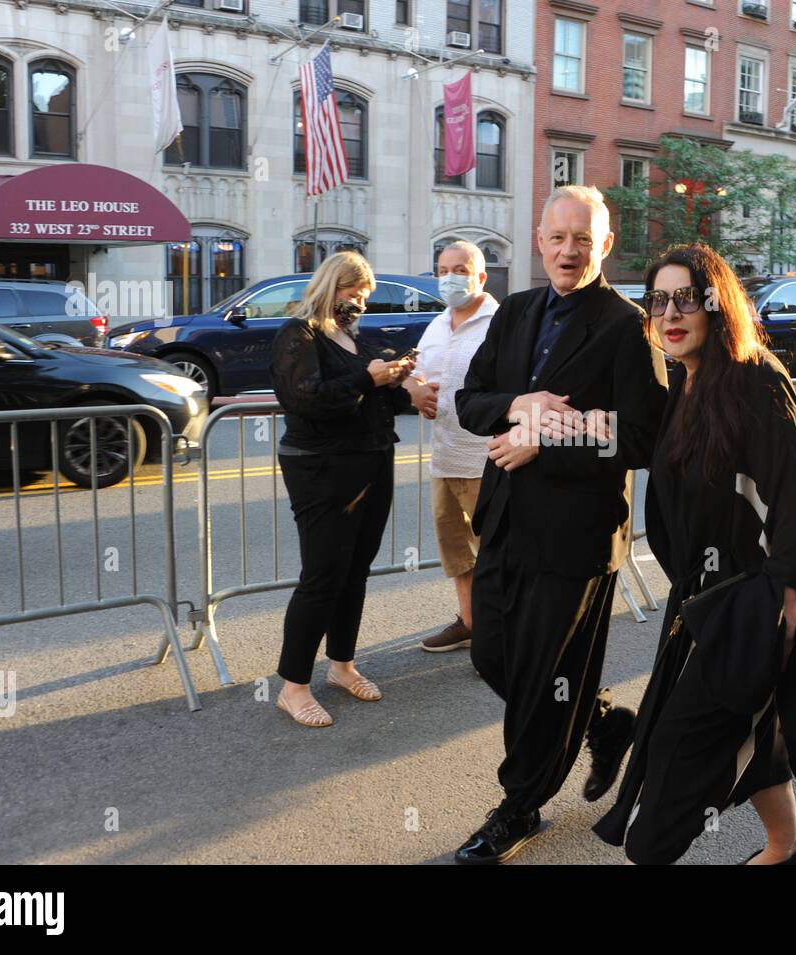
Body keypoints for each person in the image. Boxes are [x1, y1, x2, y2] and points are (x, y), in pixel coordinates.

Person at [592, 243, 796, 865]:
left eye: (686, 298)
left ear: (716, 304)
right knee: (756, 737)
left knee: (658, 815)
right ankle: (783, 848)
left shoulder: (756, 380)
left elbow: (792, 508)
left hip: (750, 613)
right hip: (703, 609)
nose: (671, 313)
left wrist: (780, 624)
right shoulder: (686, 381)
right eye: (658, 301)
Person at [452, 185, 669, 864]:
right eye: (557, 236)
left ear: (604, 245)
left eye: (584, 238)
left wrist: (545, 434)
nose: (569, 249)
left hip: (575, 534)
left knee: (545, 668)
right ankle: (605, 720)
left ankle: (518, 805)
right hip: (506, 518)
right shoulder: (514, 312)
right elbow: (469, 402)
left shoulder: (627, 325)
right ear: (539, 239)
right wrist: (521, 402)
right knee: (493, 652)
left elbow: (642, 435)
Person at [268, 251, 416, 727]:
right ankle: (293, 687)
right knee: (323, 574)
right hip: (321, 467)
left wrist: (397, 379)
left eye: (367, 295)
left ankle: (342, 666)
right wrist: (366, 377)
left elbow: (372, 396)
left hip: (372, 459)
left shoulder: (354, 338)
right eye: (357, 292)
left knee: (355, 570)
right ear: (333, 287)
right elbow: (305, 399)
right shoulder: (299, 334)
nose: (362, 302)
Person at [402, 241, 499, 652]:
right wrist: (412, 388)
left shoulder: (501, 321)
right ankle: (470, 622)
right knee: (456, 548)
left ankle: (499, 634)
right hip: (444, 455)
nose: (450, 277)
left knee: (495, 551)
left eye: (460, 268)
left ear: (481, 276)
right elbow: (416, 373)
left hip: (487, 458)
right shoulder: (437, 324)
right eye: (443, 269)